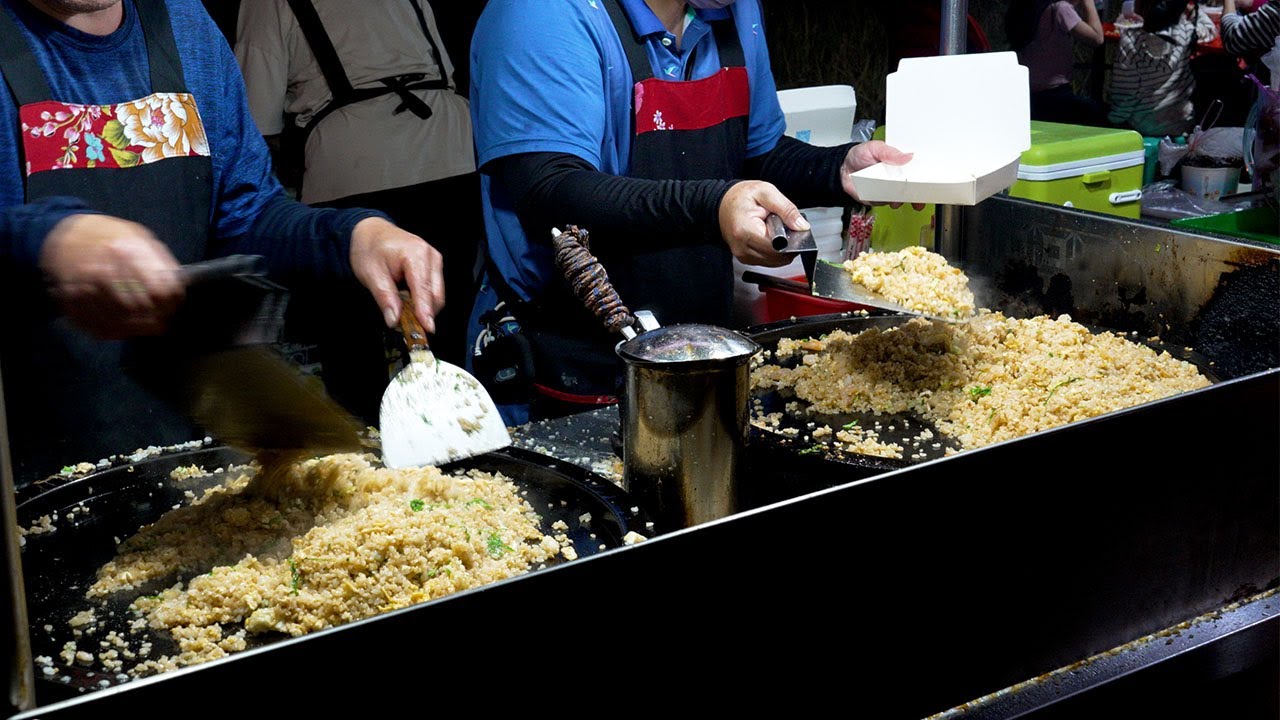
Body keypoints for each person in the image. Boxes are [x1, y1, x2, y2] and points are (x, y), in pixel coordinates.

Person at [0, 0, 444, 487]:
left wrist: (353, 235)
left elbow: (246, 212)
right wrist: (49, 241)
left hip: (194, 459)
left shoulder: (184, 23)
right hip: (38, 479)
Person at [466, 0, 914, 424]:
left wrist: (835, 168)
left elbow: (754, 155)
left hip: (696, 351)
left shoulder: (731, 11)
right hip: (568, 363)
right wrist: (714, 207)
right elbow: (552, 188)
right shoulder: (541, 15)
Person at [235, 0, 480, 424]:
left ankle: (368, 468)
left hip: (352, 167)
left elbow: (256, 120)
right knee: (446, 332)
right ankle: (457, 451)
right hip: (451, 154)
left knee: (352, 356)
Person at [1107, 0, 1219, 137]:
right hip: (1181, 123)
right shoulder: (1186, 32)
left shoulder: (1130, 40)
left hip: (1142, 125)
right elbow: (1209, 30)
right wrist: (1194, 10)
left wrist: (1114, 121)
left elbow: (1125, 94)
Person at [1006, 0, 1109, 126]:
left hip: (1028, 95)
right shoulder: (1060, 9)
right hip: (1055, 95)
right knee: (1101, 116)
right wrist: (1089, 4)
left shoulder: (1025, 7)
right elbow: (1097, 38)